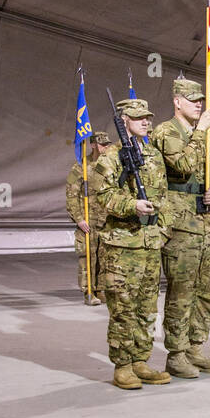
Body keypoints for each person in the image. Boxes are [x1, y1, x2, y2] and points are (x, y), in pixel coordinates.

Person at [150, 77, 210, 378]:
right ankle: (177, 353)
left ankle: (196, 347)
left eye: (201, 99)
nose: (199, 104)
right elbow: (181, 166)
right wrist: (200, 133)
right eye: (192, 99)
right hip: (181, 226)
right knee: (181, 291)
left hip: (207, 223)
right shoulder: (166, 132)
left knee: (207, 290)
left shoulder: (207, 138)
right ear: (176, 102)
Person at [92, 101, 170, 390]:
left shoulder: (153, 154)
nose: (145, 123)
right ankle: (122, 365)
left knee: (147, 308)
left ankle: (140, 359)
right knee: (123, 308)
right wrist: (131, 204)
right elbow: (103, 195)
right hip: (122, 245)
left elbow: (164, 195)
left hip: (150, 244)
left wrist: (163, 231)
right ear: (124, 120)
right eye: (138, 119)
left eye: (147, 118)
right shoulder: (110, 157)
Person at [65, 132, 113, 305]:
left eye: (108, 144)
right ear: (93, 145)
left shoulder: (111, 166)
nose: (106, 147)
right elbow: (71, 195)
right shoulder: (80, 167)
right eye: (103, 145)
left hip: (106, 219)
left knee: (105, 257)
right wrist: (78, 218)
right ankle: (88, 291)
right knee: (88, 257)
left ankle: (101, 290)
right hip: (88, 220)